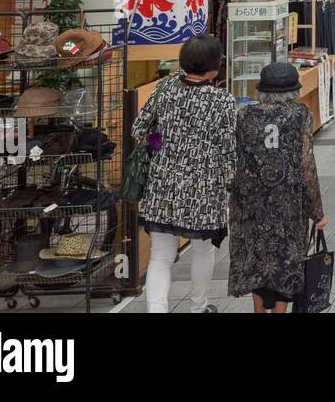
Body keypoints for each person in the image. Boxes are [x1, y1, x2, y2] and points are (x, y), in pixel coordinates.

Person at [133, 35, 236, 313]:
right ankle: (198, 307)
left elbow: (138, 129)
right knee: (203, 249)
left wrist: (159, 144)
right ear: (214, 67)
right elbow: (228, 150)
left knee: (161, 256)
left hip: (163, 182)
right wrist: (232, 186)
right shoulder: (222, 101)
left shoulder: (164, 89)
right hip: (204, 187)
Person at [228, 62, 325, 314]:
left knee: (257, 259)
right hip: (289, 201)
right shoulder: (300, 115)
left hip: (252, 201)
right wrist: (317, 210)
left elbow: (235, 158)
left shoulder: (244, 115)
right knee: (286, 259)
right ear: (293, 90)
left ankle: (258, 311)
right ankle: (279, 311)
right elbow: (307, 164)